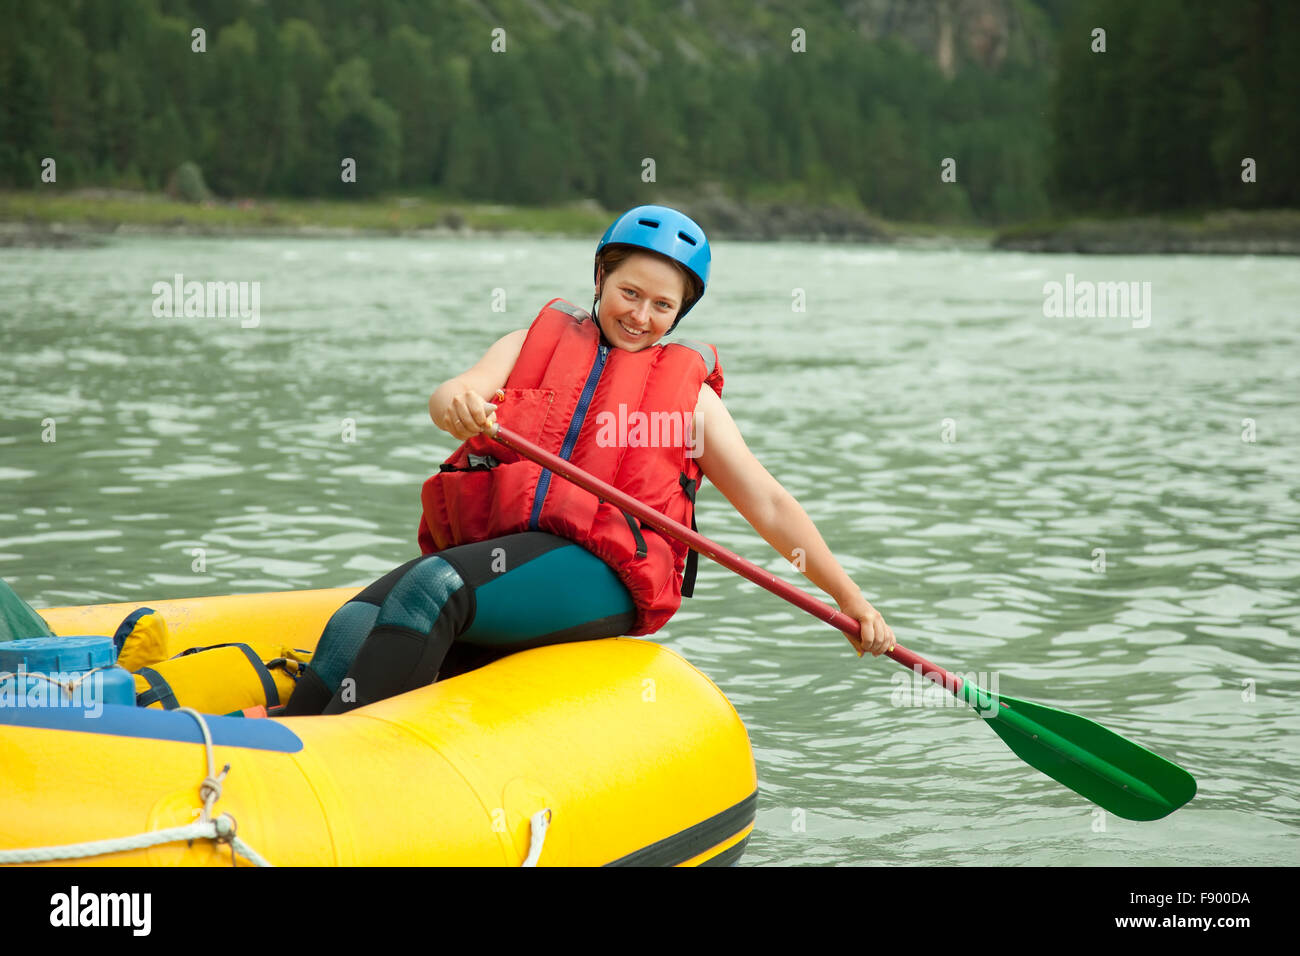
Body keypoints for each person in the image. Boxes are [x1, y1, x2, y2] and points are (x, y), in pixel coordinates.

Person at [284, 204, 894, 716]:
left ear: (680, 312)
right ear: (600, 276)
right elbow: (451, 394)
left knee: (432, 588)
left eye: (662, 305)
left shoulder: (693, 401)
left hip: (607, 572)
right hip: (512, 554)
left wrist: (851, 600)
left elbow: (768, 503)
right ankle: (290, 742)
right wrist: (458, 406)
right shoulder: (529, 345)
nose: (641, 315)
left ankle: (352, 758)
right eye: (630, 292)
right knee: (352, 622)